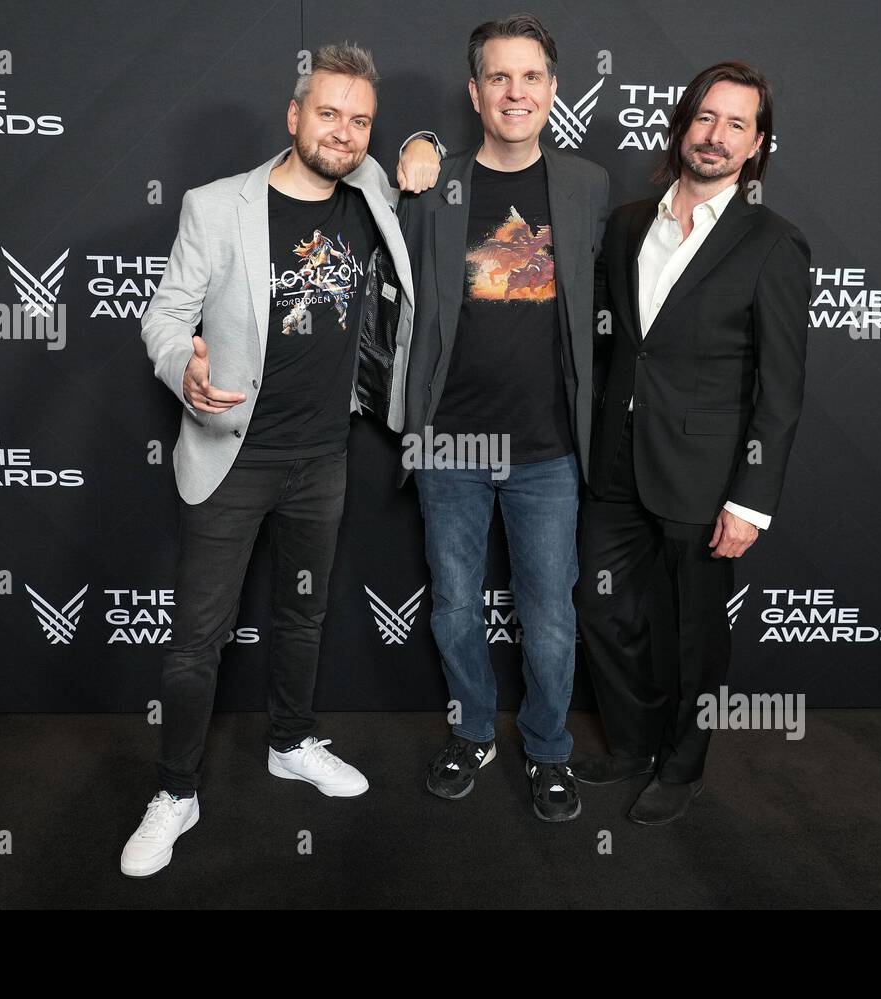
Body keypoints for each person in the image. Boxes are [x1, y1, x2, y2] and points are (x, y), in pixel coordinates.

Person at [123, 43, 442, 876]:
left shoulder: (370, 185)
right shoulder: (215, 206)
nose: (344, 132)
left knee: (303, 615)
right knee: (198, 639)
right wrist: (180, 365)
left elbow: (424, 161)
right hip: (234, 456)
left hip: (324, 459)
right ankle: (176, 791)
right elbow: (164, 316)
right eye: (328, 113)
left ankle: (291, 741)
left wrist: (428, 147)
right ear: (294, 116)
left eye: (361, 121)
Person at [574, 61, 811, 824]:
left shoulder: (772, 244)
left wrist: (752, 500)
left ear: (756, 145)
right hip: (614, 461)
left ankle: (682, 765)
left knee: (692, 637)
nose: (715, 136)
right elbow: (619, 345)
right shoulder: (627, 224)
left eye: (736, 124)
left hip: (708, 478)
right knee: (603, 610)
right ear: (682, 125)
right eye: (706, 118)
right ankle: (634, 744)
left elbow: (781, 388)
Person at [397, 14, 609, 822]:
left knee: (550, 613)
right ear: (475, 92)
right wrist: (415, 142)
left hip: (549, 447)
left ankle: (549, 750)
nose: (515, 91)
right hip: (448, 441)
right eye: (499, 77)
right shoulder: (434, 184)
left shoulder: (587, 185)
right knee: (454, 604)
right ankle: (474, 732)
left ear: (552, 90)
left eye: (531, 77)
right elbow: (360, 203)